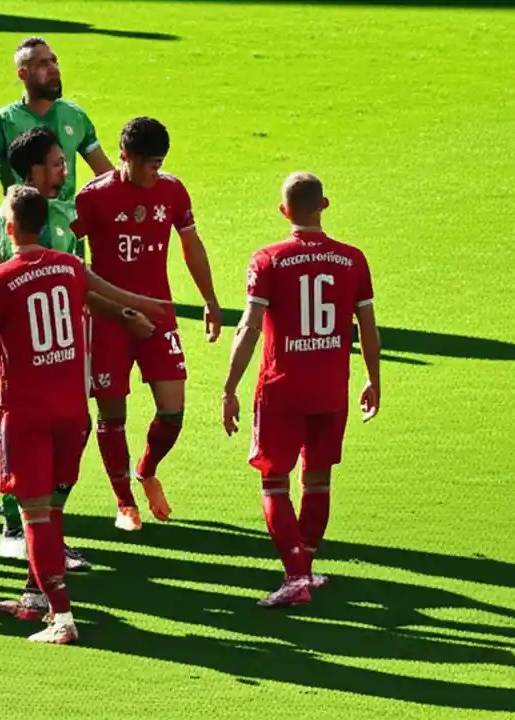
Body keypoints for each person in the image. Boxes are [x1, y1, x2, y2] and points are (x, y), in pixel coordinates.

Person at [0, 186, 176, 644]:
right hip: (73, 414)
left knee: (36, 516)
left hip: (27, 415)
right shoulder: (70, 267)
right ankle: (36, 596)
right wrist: (137, 310)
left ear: (10, 227)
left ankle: (62, 617)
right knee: (53, 510)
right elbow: (101, 295)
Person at [0, 127, 152, 565]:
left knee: (75, 431)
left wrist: (120, 313)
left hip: (64, 352)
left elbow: (77, 286)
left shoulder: (59, 215)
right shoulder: (6, 226)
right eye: (56, 163)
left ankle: (47, 530)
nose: (65, 169)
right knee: (20, 438)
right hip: (22, 360)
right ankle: (15, 530)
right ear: (33, 170)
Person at [222, 172, 380, 608]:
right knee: (318, 478)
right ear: (324, 205)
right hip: (331, 390)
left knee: (274, 481)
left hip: (281, 390)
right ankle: (306, 568)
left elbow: (250, 327)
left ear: (284, 211)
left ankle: (294, 576)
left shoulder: (268, 260)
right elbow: (367, 326)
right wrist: (373, 378)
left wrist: (230, 387)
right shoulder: (353, 260)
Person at [72, 116, 223, 532]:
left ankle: (147, 469)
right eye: (149, 163)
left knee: (173, 410)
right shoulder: (92, 199)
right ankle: (124, 503)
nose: (156, 171)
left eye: (160, 163)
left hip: (158, 316)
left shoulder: (172, 190)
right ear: (124, 156)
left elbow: (190, 244)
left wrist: (210, 299)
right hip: (107, 321)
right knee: (111, 413)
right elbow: (70, 263)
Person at [0, 36, 112, 273]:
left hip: (67, 228)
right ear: (22, 74)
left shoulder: (75, 116)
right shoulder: (2, 123)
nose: (53, 69)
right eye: (43, 64)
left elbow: (105, 176)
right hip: (21, 228)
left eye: (54, 61)